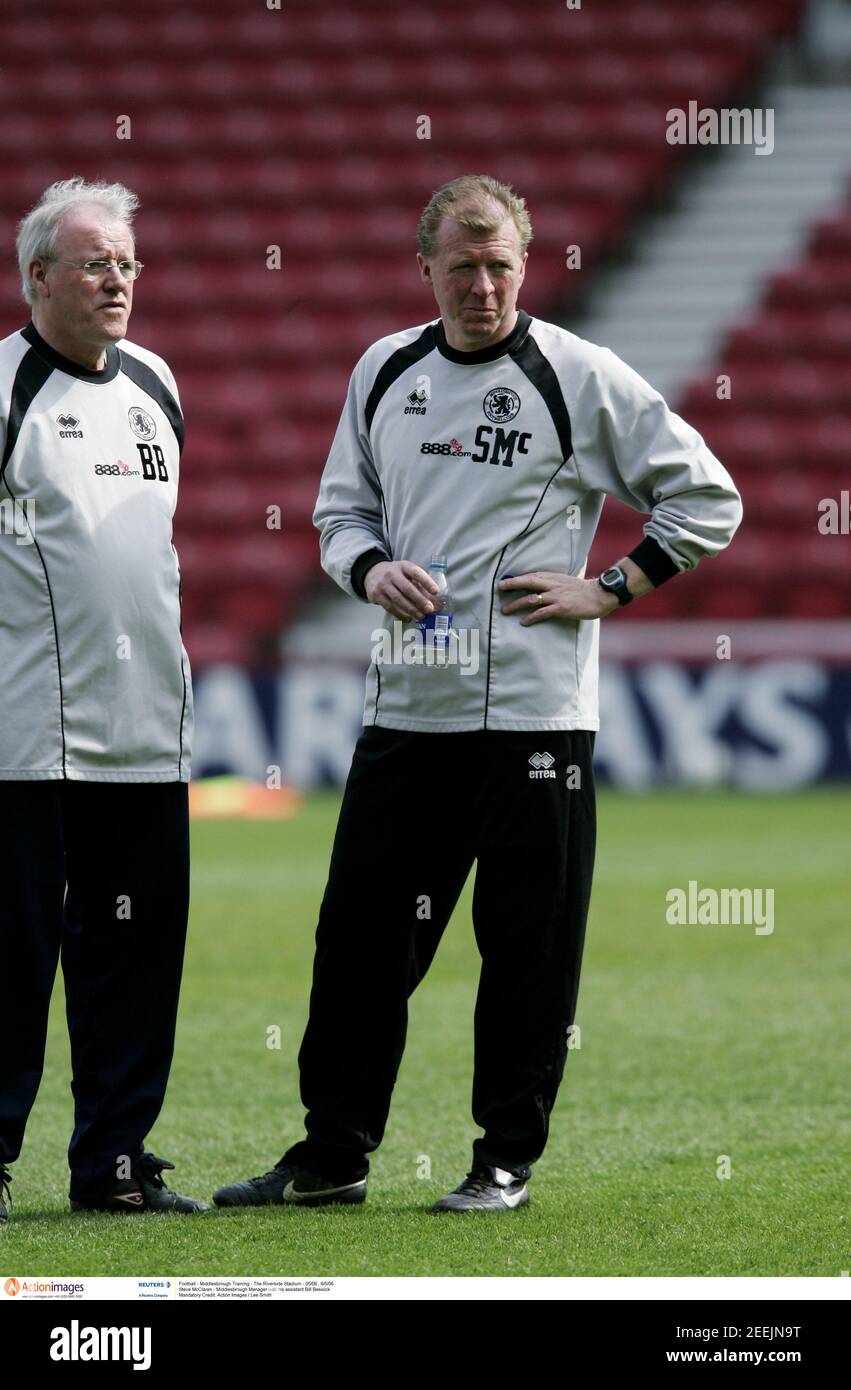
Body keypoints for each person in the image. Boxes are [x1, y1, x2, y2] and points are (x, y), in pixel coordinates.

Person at [213, 173, 743, 1215]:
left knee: (526, 952)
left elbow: (706, 494)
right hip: (408, 710)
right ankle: (332, 1156)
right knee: (359, 944)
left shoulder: (575, 373)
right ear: (426, 269)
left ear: (525, 265)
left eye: (499, 263)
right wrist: (368, 569)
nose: (482, 284)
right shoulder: (384, 369)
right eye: (460, 265)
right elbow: (337, 511)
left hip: (532, 723)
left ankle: (502, 1160)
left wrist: (609, 585)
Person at [0, 177, 208, 1220]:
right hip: (24, 742)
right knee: (10, 959)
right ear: (39, 278)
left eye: (125, 261)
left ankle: (114, 1164)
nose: (117, 278)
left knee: (133, 959)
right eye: (94, 262)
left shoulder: (158, 386)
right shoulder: (1, 391)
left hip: (143, 737)